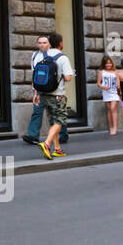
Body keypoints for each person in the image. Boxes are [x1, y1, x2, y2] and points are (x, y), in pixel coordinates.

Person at [35, 32, 74, 160]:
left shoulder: (41, 56)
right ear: (61, 43)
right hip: (57, 95)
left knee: (53, 121)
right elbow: (68, 78)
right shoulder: (62, 58)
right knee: (59, 120)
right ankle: (46, 144)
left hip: (44, 94)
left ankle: (57, 149)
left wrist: (36, 94)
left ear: (49, 43)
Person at [22, 35, 50, 145]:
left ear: (49, 44)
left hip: (53, 90)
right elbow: (34, 75)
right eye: (40, 42)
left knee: (54, 114)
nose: (42, 44)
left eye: (44, 42)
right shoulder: (34, 56)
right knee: (37, 112)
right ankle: (33, 136)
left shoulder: (54, 55)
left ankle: (62, 135)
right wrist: (35, 92)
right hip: (39, 89)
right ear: (37, 44)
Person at [98, 55, 120, 135]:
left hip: (114, 93)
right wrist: (103, 86)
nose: (109, 65)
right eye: (107, 63)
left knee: (113, 108)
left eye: (110, 63)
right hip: (106, 92)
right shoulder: (101, 72)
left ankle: (115, 128)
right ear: (104, 64)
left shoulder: (115, 72)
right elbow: (98, 83)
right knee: (110, 110)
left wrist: (119, 89)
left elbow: (118, 83)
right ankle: (111, 127)